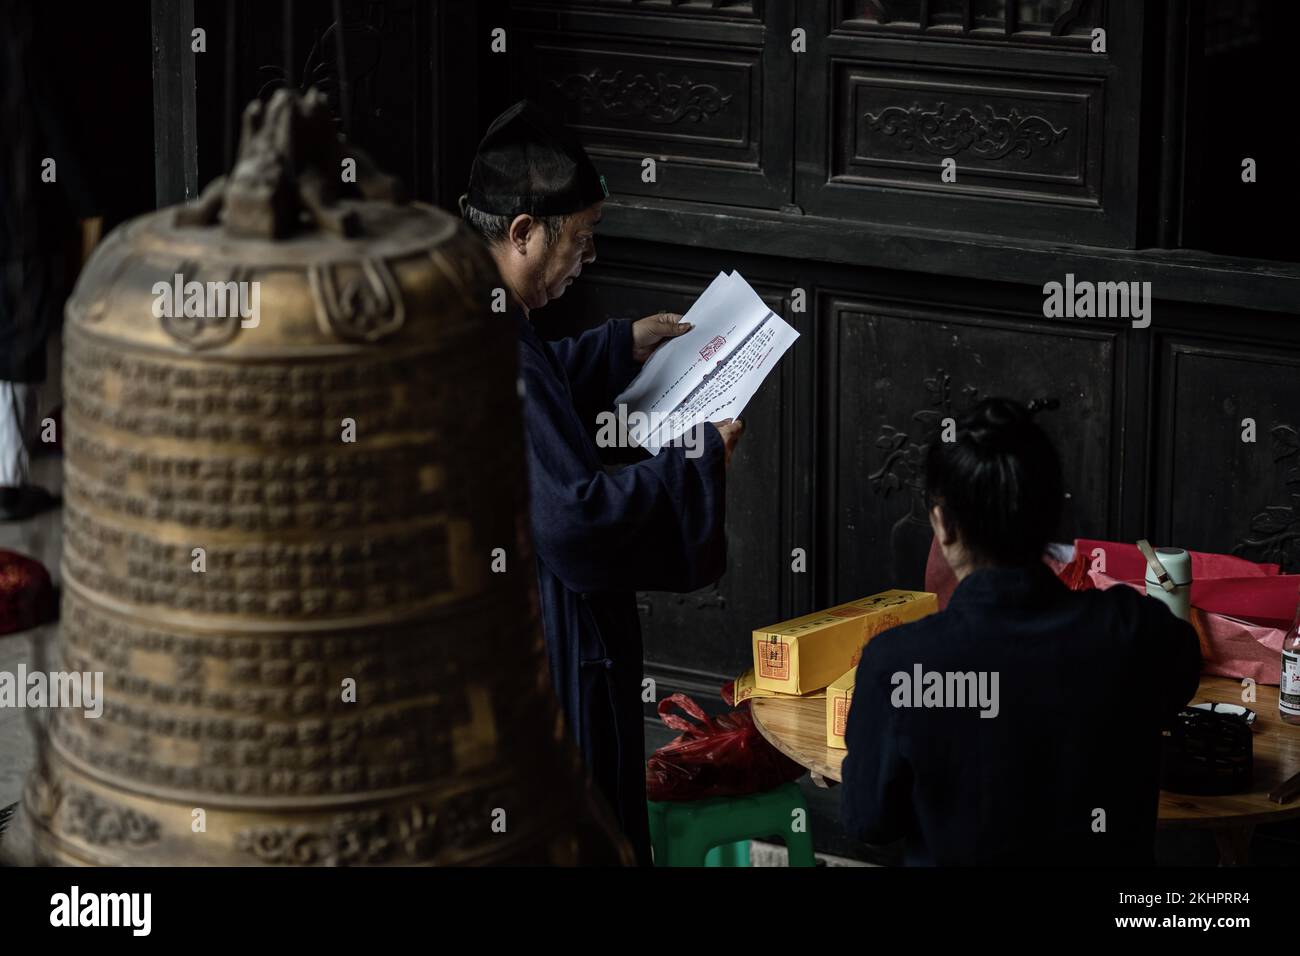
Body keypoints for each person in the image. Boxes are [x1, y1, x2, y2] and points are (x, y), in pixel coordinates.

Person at [460, 100, 745, 864]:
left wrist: (624, 344)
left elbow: (541, 388)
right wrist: (696, 458)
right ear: (523, 233)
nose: (588, 258)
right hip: (545, 635)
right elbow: (573, 519)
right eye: (579, 240)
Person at [841, 398, 1201, 865]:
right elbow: (1179, 680)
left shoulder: (898, 665)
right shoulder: (1135, 630)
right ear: (1053, 515)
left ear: (942, 523)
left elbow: (869, 821)